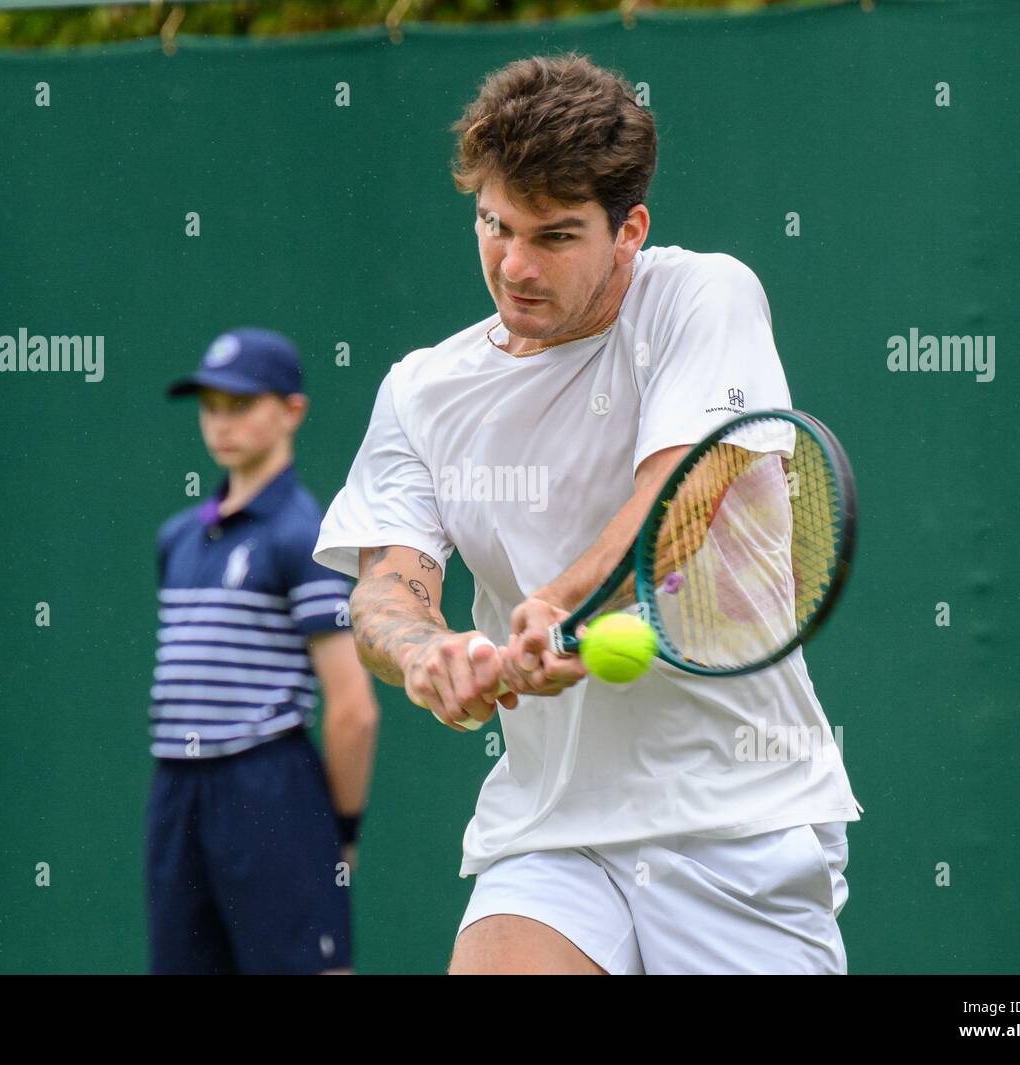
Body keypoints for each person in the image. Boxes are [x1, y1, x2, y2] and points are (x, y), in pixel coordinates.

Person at [313, 54, 863, 975]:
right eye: (496, 224)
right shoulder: (420, 390)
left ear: (629, 230)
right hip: (549, 825)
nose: (514, 265)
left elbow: (678, 498)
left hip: (736, 819)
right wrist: (426, 654)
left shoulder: (702, 296)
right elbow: (386, 588)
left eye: (556, 235)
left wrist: (562, 603)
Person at [146, 327, 379, 974]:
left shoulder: (306, 535)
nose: (222, 422)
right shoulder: (177, 541)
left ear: (292, 411)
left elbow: (354, 708)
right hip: (176, 792)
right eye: (211, 405)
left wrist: (343, 830)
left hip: (270, 792)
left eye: (241, 403)